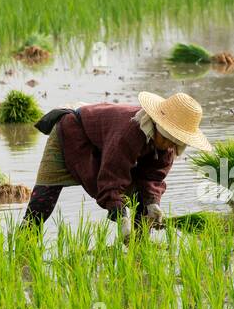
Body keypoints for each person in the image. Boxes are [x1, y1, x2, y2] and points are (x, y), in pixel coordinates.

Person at [21, 91, 214, 237]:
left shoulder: (168, 146)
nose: (172, 144)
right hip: (72, 131)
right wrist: (120, 214)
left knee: (141, 198)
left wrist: (153, 203)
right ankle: (23, 242)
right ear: (157, 125)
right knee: (43, 200)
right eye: (170, 138)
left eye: (177, 140)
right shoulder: (130, 132)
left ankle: (138, 248)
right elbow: (111, 176)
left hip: (106, 141)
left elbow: (152, 178)